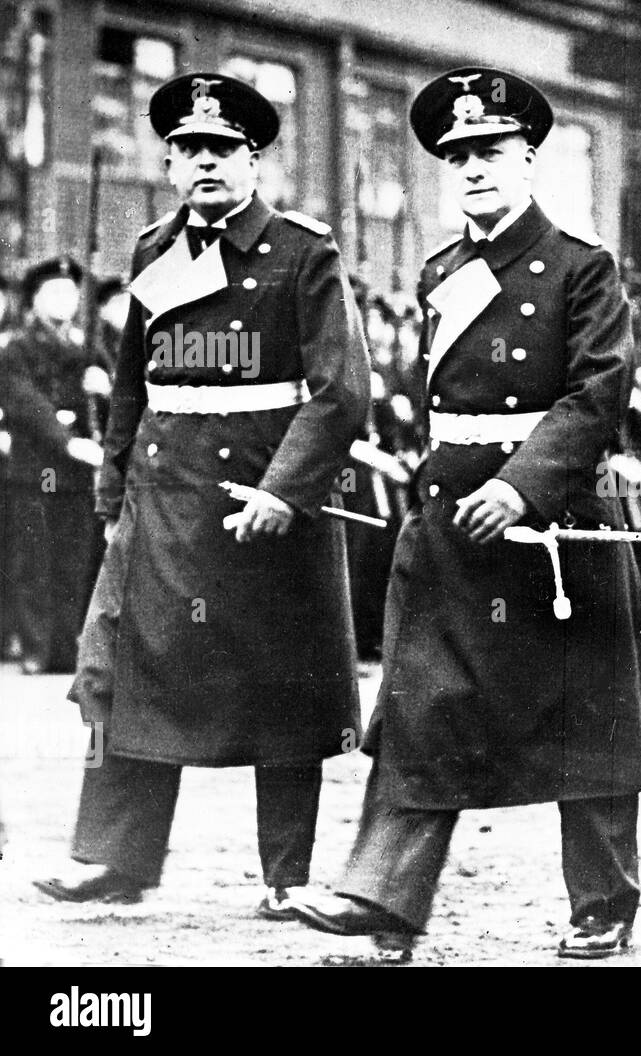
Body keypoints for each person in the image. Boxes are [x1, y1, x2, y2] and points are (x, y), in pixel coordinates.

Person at [293, 67, 641, 960]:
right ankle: (383, 899)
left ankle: (602, 903)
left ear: (528, 158)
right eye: (457, 156)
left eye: (491, 151)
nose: (473, 168)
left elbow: (598, 394)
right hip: (453, 518)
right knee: (421, 708)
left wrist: (522, 485)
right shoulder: (441, 269)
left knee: (588, 717)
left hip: (558, 524)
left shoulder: (583, 265)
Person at [33, 72, 370, 917]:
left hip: (261, 503)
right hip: (164, 499)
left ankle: (286, 877)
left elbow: (340, 392)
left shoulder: (305, 252)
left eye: (222, 149)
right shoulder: (154, 250)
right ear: (171, 163)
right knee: (127, 674)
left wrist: (285, 491)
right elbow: (130, 384)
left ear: (253, 159)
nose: (204, 164)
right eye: (188, 150)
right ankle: (112, 860)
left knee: (281, 686)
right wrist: (113, 490)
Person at [0, 256, 102, 674]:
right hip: (35, 472)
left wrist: (106, 388)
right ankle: (38, 647)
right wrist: (68, 443)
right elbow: (25, 403)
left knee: (72, 562)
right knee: (34, 560)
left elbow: (117, 407)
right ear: (35, 300)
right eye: (53, 292)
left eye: (70, 292)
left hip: (77, 479)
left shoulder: (88, 348)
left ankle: (65, 646)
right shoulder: (18, 350)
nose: (64, 300)